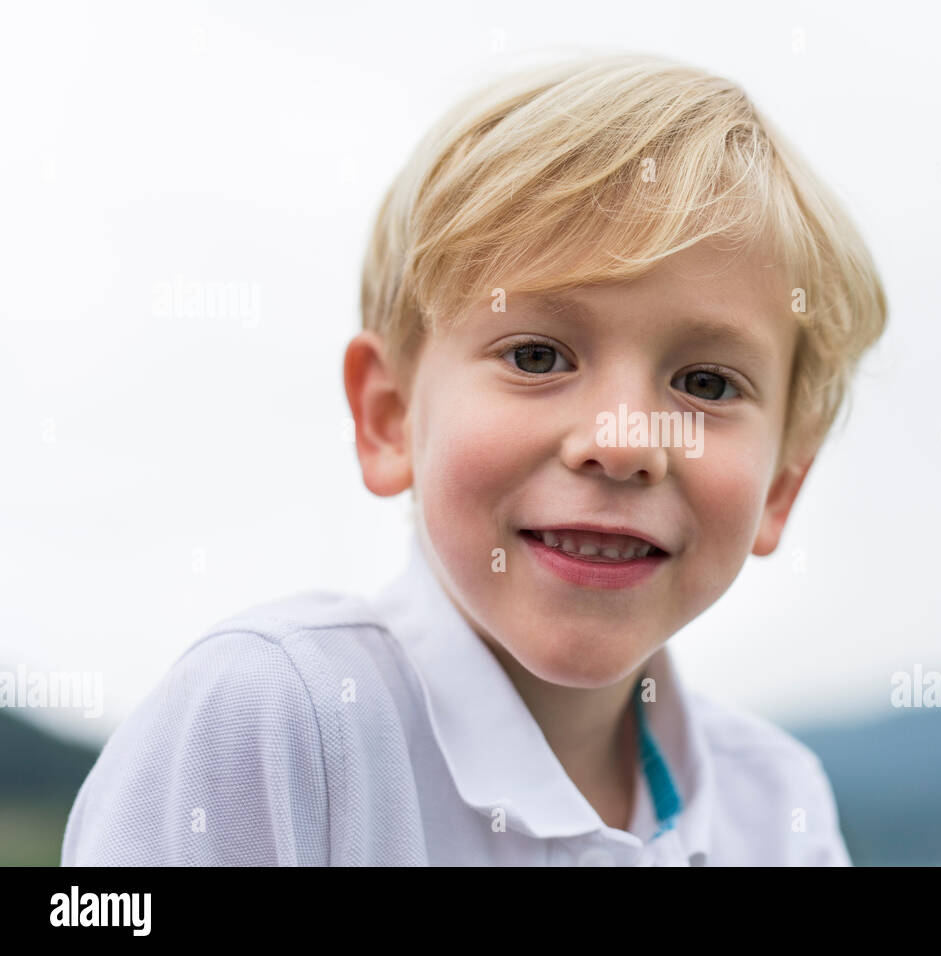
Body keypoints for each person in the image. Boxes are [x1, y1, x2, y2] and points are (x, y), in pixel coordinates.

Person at [61, 51, 887, 866]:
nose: (624, 442)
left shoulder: (779, 807)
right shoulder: (276, 722)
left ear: (782, 484)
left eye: (706, 381)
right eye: (536, 357)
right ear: (388, 419)